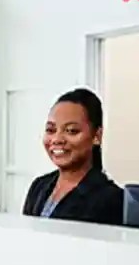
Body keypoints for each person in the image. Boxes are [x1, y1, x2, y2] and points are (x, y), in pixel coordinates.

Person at [22, 88, 124, 225]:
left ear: (97, 136)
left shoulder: (111, 199)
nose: (57, 139)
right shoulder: (39, 186)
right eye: (51, 130)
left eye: (71, 131)